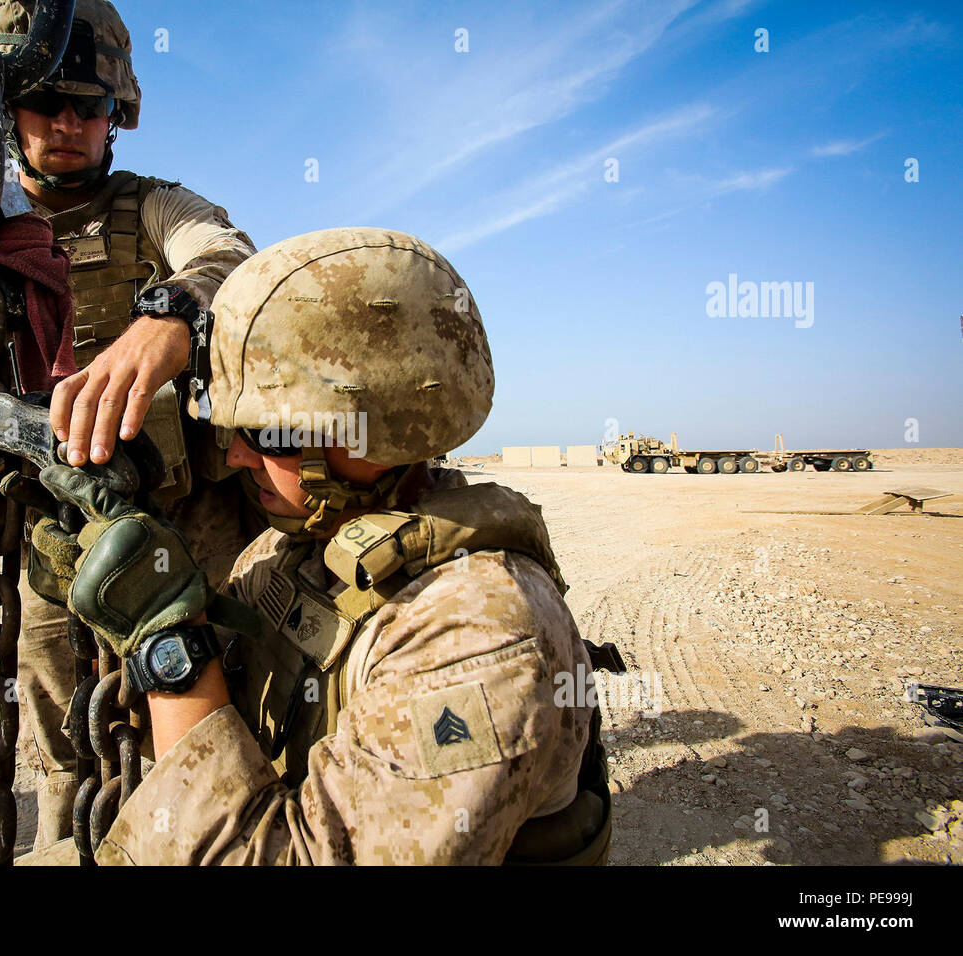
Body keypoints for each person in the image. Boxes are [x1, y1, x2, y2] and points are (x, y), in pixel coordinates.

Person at [35, 227, 612, 864]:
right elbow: (205, 719)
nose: (234, 455)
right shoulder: (295, 554)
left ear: (376, 429)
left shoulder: (481, 632)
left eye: (266, 432)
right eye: (230, 428)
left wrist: (168, 641)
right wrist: (117, 605)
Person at [0, 0, 264, 848]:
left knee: (212, 726)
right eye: (45, 99)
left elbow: (230, 255)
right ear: (0, 105)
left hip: (184, 525)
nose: (66, 122)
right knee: (72, 756)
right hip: (46, 544)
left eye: (88, 105)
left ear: (115, 116)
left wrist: (172, 316)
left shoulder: (154, 206)